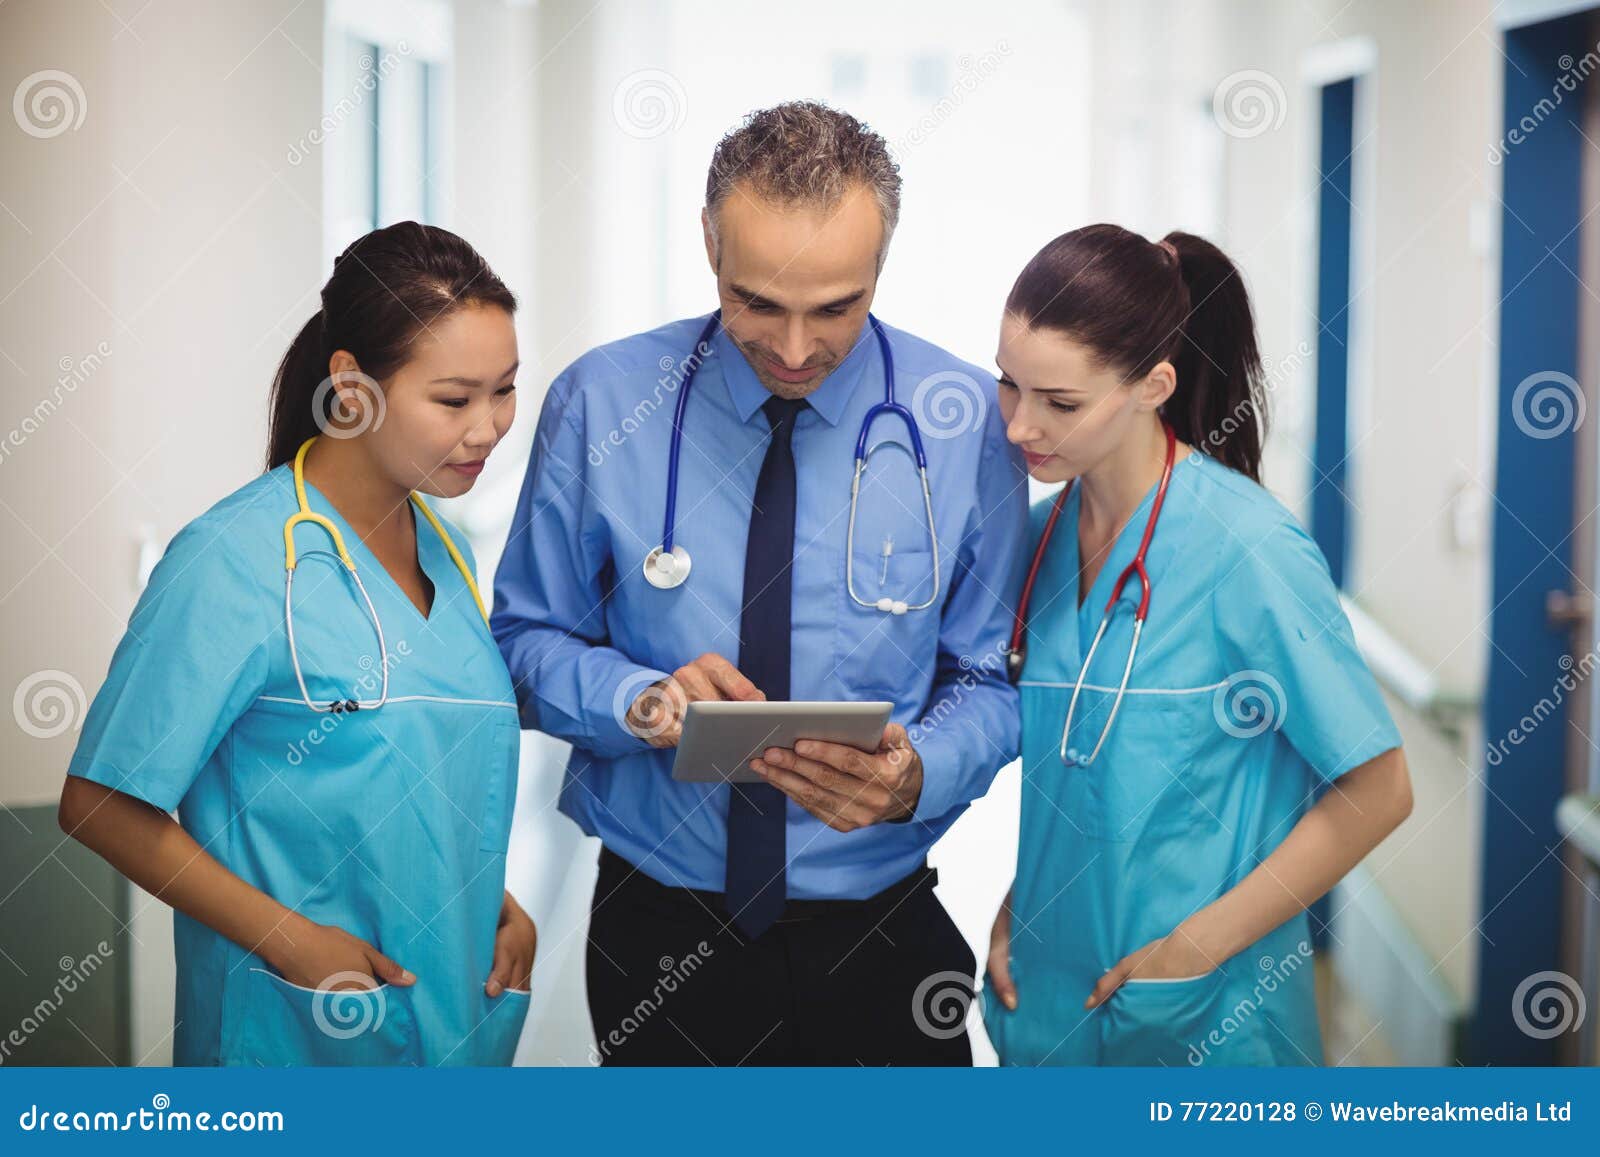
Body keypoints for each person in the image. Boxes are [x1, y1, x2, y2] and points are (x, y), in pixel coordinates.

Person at [493, 101, 1027, 1065]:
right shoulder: (603, 402)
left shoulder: (962, 425)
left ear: (882, 268)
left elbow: (991, 678)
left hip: (882, 933)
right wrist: (635, 697)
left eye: (834, 308)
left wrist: (919, 774)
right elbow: (524, 639)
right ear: (708, 245)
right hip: (660, 930)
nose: (791, 349)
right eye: (757, 303)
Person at [57, 221, 537, 1066]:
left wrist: (482, 896)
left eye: (505, 390)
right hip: (291, 1038)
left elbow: (394, 775)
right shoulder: (234, 560)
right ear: (351, 386)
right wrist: (290, 941)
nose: (490, 427)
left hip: (447, 1016)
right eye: (455, 399)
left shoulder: (447, 551)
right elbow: (101, 803)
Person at [981, 224, 1413, 1066]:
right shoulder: (1036, 543)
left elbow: (1380, 787)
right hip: (1045, 1011)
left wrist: (1194, 951)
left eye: (1059, 403)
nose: (1018, 426)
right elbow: (1089, 784)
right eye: (1007, 385)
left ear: (1154, 384)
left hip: (1204, 1024)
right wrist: (1017, 905)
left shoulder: (1246, 549)